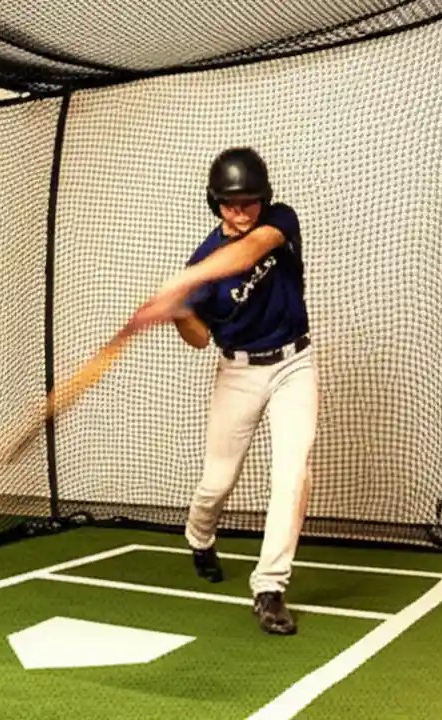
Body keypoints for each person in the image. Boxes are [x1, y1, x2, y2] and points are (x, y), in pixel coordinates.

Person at [127, 147, 320, 635]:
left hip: (295, 363)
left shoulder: (279, 221)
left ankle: (270, 587)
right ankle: (199, 535)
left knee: (293, 473)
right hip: (238, 372)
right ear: (215, 203)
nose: (241, 213)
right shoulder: (202, 264)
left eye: (249, 202)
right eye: (231, 204)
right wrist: (179, 309)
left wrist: (186, 279)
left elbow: (250, 251)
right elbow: (197, 340)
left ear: (264, 199)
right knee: (218, 481)